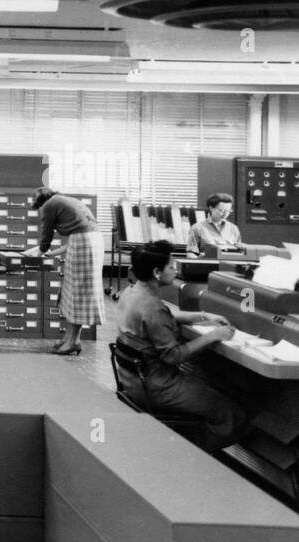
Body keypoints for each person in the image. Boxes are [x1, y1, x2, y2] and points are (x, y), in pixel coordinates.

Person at [115, 240, 250, 452]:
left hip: (132, 381)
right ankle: (187, 452)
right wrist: (213, 335)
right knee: (232, 415)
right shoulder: (153, 307)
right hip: (158, 386)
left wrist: (204, 316)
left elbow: (164, 317)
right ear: (157, 272)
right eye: (171, 266)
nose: (176, 269)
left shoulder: (132, 292)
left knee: (214, 390)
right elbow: (173, 356)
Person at [22, 187, 103, 355]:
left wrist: (41, 252)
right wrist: (51, 253)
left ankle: (72, 341)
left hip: (83, 243)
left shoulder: (49, 205)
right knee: (75, 292)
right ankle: (72, 339)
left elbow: (46, 235)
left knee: (77, 293)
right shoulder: (66, 200)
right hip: (91, 242)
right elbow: (78, 235)